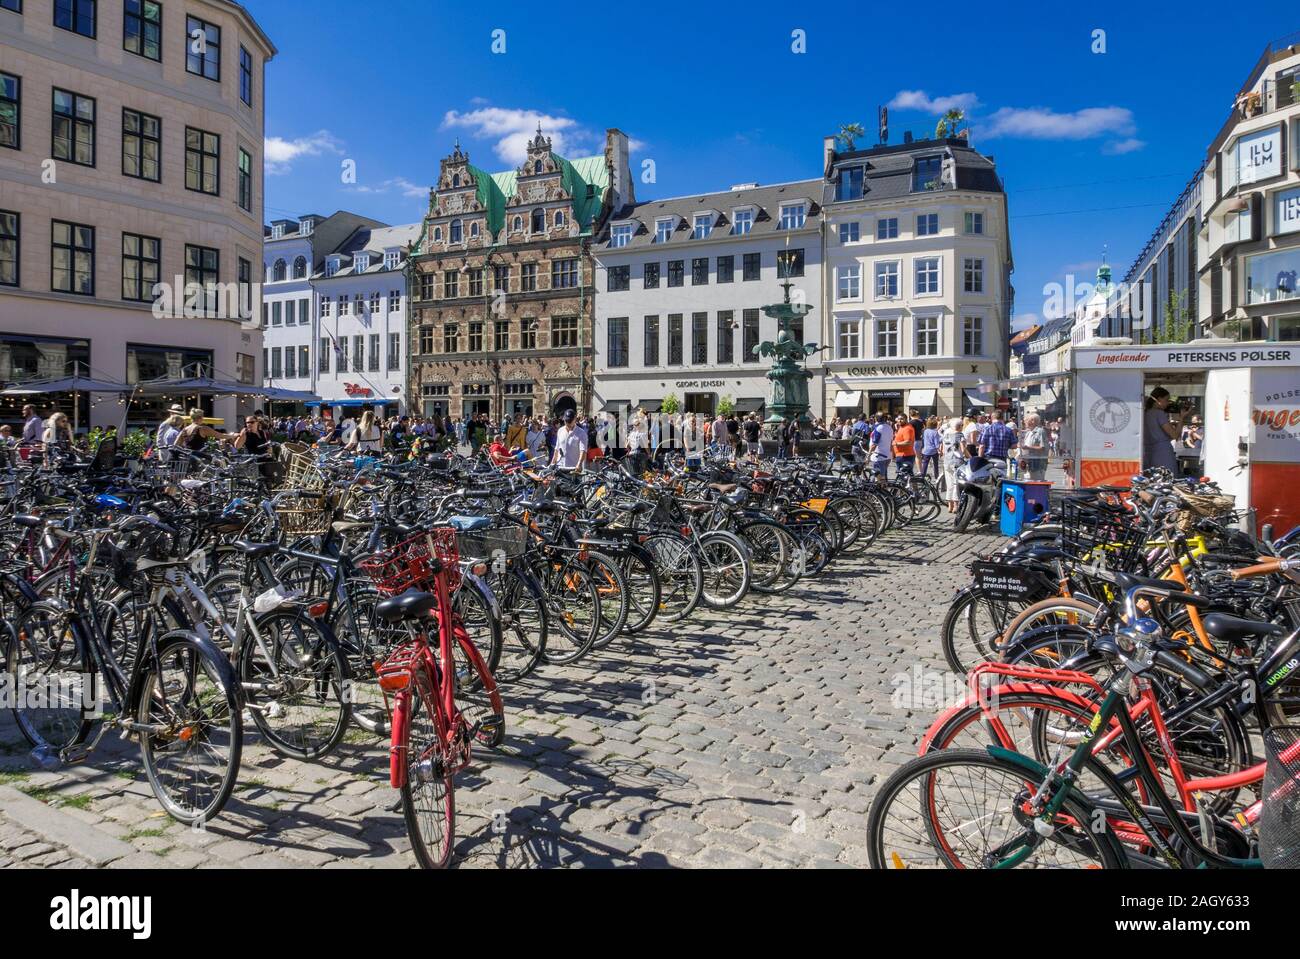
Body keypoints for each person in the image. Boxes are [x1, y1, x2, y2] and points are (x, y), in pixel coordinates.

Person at [1142, 387, 1180, 473]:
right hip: (1163, 452)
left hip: (1147, 451)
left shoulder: (1144, 413)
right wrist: (1181, 419)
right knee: (1167, 477)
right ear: (1159, 399)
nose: (1168, 403)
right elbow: (1174, 435)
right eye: (1166, 400)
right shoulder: (1159, 414)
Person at [941, 417, 965, 512]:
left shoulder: (946, 434)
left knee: (949, 483)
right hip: (957, 461)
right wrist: (968, 457)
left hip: (947, 461)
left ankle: (949, 506)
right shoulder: (960, 435)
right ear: (959, 426)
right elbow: (963, 449)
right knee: (956, 483)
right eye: (962, 425)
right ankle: (956, 505)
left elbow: (943, 449)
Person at [1020, 412, 1048, 481]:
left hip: (1037, 464)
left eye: (1026, 420)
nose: (1025, 422)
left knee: (1037, 483)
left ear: (1033, 421)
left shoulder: (1040, 431)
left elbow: (1042, 447)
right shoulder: (1029, 432)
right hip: (1028, 463)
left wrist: (1028, 447)